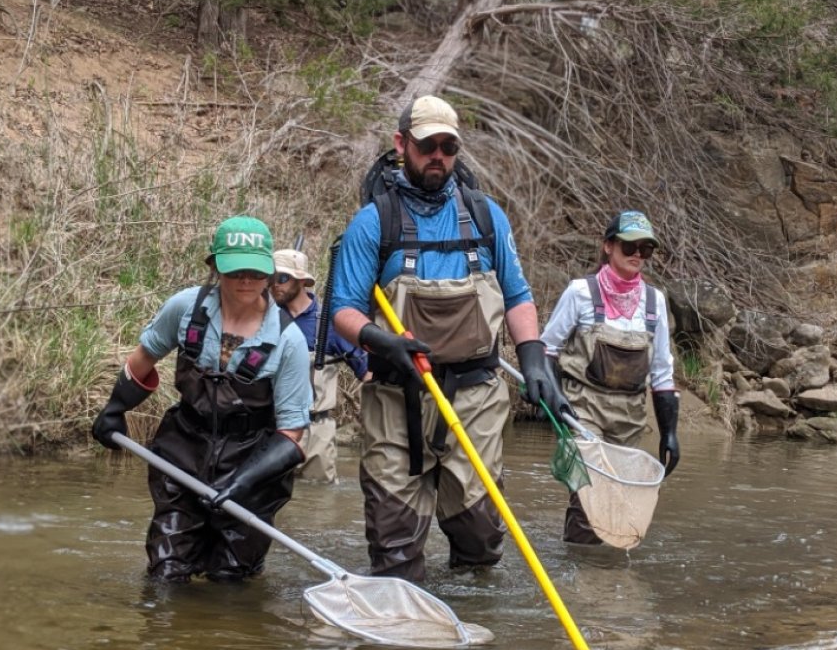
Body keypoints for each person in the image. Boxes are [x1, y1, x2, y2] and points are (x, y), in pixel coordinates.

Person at [330, 94, 569, 582]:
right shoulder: (374, 222)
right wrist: (380, 339)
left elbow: (518, 295)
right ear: (402, 145)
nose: (438, 155)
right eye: (427, 145)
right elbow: (343, 312)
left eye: (448, 146)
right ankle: (401, 628)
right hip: (398, 398)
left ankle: (470, 632)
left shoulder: (488, 218)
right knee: (394, 547)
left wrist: (534, 359)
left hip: (476, 397)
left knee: (480, 539)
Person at [91, 215, 313, 582]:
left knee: (230, 581)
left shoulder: (290, 342)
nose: (246, 280)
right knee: (166, 571)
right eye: (234, 270)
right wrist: (115, 409)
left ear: (269, 274)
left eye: (256, 273)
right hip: (182, 453)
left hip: (251, 467)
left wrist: (243, 482)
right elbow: (143, 358)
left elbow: (291, 434)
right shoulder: (183, 308)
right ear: (214, 267)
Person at [540, 210, 680, 545]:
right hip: (581, 408)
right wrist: (555, 397)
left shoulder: (655, 302)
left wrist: (670, 434)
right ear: (608, 246)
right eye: (629, 246)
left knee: (618, 496)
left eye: (645, 249)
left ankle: (604, 565)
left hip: (629, 415)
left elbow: (662, 372)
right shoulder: (580, 293)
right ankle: (582, 566)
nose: (637, 255)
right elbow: (546, 350)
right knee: (588, 493)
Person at [271, 247, 369, 486]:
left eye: (282, 278)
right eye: (270, 278)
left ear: (303, 281)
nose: (275, 285)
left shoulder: (329, 323)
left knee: (318, 500)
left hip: (318, 431)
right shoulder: (265, 318)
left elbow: (367, 372)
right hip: (272, 426)